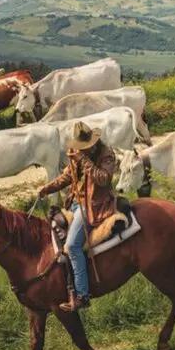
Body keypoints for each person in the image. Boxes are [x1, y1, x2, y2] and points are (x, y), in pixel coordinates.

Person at [36, 121, 118, 311]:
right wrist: (47, 189)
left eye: (86, 147)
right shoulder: (77, 155)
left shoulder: (105, 154)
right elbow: (67, 177)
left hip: (94, 204)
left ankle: (82, 295)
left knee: (72, 245)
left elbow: (103, 179)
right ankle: (62, 284)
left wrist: (84, 160)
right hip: (75, 202)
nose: (84, 150)